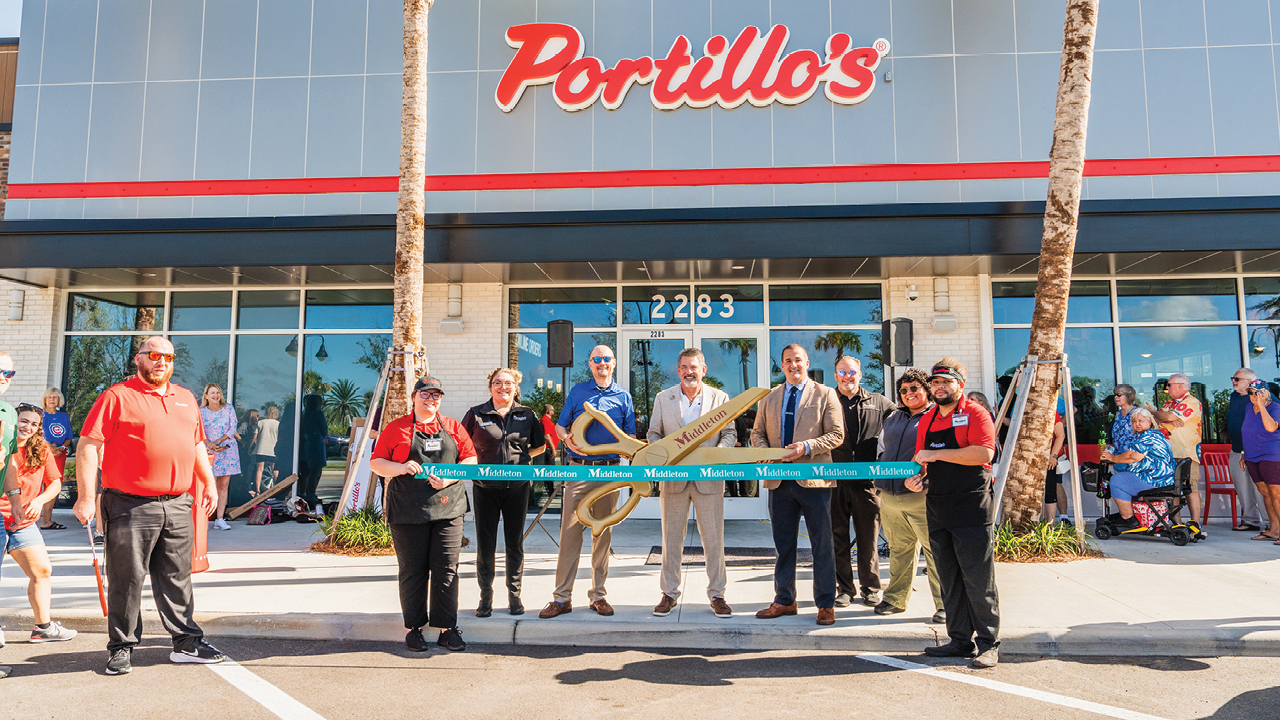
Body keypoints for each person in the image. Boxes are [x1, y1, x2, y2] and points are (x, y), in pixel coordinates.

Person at [72, 336, 224, 676]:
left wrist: (210, 483)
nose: (161, 362)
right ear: (139, 359)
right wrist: (85, 497)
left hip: (178, 503)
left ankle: (186, 643)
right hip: (129, 505)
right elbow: (88, 445)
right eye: (154, 356)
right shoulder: (116, 397)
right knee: (126, 579)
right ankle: (121, 647)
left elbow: (197, 444)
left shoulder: (185, 398)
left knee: (177, 577)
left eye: (168, 357)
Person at [370, 376, 476, 653]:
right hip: (407, 508)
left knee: (446, 569)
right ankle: (413, 629)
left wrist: (450, 478)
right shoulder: (397, 428)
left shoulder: (453, 427)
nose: (431, 400)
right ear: (414, 396)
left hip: (448, 507)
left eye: (436, 395)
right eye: (426, 395)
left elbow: (471, 460)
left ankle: (447, 629)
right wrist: (402, 467)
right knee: (412, 570)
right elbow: (377, 463)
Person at [912, 357, 1000, 669]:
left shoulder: (975, 413)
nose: (939, 387)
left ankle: (989, 643)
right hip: (938, 506)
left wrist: (935, 454)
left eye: (945, 382)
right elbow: (921, 461)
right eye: (935, 383)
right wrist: (916, 477)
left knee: (978, 578)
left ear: (959, 386)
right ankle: (959, 640)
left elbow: (984, 453)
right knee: (949, 578)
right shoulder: (927, 419)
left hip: (971, 506)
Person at [751, 344, 845, 626]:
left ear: (807, 362)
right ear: (782, 366)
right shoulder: (769, 398)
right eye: (788, 361)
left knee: (822, 545)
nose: (794, 365)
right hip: (779, 482)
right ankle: (784, 600)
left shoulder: (825, 393)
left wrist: (806, 447)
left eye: (798, 360)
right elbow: (756, 433)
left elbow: (837, 434)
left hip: (814, 480)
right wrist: (765, 451)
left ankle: (826, 603)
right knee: (783, 545)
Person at [540, 345, 635, 619]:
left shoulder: (623, 396)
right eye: (597, 359)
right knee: (569, 534)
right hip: (579, 471)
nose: (602, 363)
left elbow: (629, 435)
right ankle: (562, 598)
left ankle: (599, 596)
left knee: (602, 534)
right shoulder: (578, 392)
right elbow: (561, 426)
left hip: (609, 473)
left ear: (613, 363)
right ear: (590, 364)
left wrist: (619, 448)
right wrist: (565, 437)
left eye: (606, 359)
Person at [646, 348, 736, 619]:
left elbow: (730, 433)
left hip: (708, 480)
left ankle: (717, 594)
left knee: (713, 540)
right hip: (673, 480)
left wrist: (718, 454)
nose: (689, 371)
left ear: (703, 370)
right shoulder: (664, 398)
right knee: (671, 539)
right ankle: (669, 594)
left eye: (694, 367)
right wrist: (662, 455)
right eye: (684, 367)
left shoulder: (720, 398)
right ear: (678, 370)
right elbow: (653, 433)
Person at [462, 368, 545, 618]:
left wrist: (518, 463)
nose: (503, 387)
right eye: (497, 383)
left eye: (508, 383)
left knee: (514, 544)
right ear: (490, 387)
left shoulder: (527, 414)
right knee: (485, 545)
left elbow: (539, 446)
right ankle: (485, 596)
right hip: (484, 489)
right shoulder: (476, 414)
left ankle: (514, 596)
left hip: (517, 489)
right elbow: (463, 445)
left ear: (515, 387)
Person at [1, 404, 78, 644]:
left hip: (24, 522)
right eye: (24, 421)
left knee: (42, 571)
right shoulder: (4, 445)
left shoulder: (41, 449)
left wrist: (39, 500)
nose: (28, 427)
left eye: (34, 424)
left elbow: (55, 482)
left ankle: (43, 628)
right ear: (14, 422)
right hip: (0, 517)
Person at [873, 369, 945, 623]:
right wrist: (878, 483)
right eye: (903, 390)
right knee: (899, 549)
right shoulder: (893, 418)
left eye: (914, 388)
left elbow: (943, 454)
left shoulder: (938, 417)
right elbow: (882, 450)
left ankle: (945, 604)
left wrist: (927, 480)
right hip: (890, 496)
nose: (909, 394)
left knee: (935, 550)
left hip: (923, 496)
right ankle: (895, 599)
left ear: (926, 390)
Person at [829, 355, 894, 609]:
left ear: (860, 374)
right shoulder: (827, 400)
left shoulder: (878, 402)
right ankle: (844, 589)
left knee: (869, 536)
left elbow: (903, 424)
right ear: (836, 376)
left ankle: (870, 588)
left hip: (867, 481)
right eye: (842, 373)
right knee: (838, 536)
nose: (847, 377)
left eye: (851, 372)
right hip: (834, 479)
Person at [1099, 407, 1176, 529]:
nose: (1137, 424)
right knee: (1126, 478)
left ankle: (1128, 518)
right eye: (1134, 421)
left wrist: (1113, 458)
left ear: (1150, 421)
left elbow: (1133, 456)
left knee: (1117, 480)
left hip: (1155, 479)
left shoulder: (1148, 436)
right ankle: (1130, 514)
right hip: (1162, 478)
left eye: (1141, 420)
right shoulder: (1155, 434)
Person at [1152, 373, 1204, 538]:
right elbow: (1156, 419)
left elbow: (1166, 416)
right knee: (1173, 490)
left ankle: (1196, 525)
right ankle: (1177, 525)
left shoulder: (1192, 402)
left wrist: (1162, 415)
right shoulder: (1170, 403)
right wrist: (1162, 417)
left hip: (1187, 453)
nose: (1166, 388)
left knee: (1190, 488)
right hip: (1168, 453)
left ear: (1181, 386)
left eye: (1169, 385)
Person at [1226, 369, 1267, 532]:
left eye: (1237, 379)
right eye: (1233, 378)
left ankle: (1272, 522)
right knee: (1242, 486)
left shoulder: (1263, 395)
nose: (1233, 381)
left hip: (1257, 450)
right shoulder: (1234, 396)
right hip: (1237, 448)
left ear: (1250, 382)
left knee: (1261, 488)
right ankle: (1250, 520)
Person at [1240, 380, 1280, 543]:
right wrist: (1243, 453)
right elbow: (1247, 430)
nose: (1253, 396)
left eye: (1257, 392)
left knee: (1276, 494)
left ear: (1266, 393)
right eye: (1251, 393)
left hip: (1271, 455)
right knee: (1265, 492)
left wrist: (1262, 405)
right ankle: (1274, 529)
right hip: (1251, 456)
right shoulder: (1248, 408)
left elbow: (1271, 427)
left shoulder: (1275, 408)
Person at [199, 384, 241, 531]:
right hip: (208, 451)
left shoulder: (228, 408)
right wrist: (209, 444)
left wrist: (217, 442)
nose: (216, 395)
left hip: (226, 450)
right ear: (206, 396)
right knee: (208, 485)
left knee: (223, 485)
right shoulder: (201, 412)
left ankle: (219, 518)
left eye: (218, 392)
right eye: (212, 393)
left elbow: (232, 428)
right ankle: (203, 518)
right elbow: (199, 431)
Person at [0, 352, 17, 678]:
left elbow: (10, 462)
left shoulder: (9, 414)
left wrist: (15, 500)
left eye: (10, 372)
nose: (5, 376)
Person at [39, 388, 72, 530]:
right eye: (49, 397)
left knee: (53, 487)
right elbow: (38, 435)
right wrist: (50, 449)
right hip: (42, 454)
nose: (52, 400)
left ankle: (47, 521)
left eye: (55, 397)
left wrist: (62, 448)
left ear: (59, 401)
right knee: (36, 485)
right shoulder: (40, 415)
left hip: (59, 455)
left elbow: (68, 437)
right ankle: (25, 520)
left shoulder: (63, 417)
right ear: (45, 399)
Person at [297, 394, 328, 510]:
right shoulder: (318, 414)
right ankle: (311, 494)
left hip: (305, 446)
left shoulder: (304, 415)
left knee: (304, 473)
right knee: (315, 472)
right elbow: (324, 429)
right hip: (316, 445)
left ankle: (302, 494)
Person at [1043, 412, 1068, 523]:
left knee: (1051, 488)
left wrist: (1053, 455)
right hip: (1032, 457)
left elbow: (1060, 435)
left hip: (1049, 457)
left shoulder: (1052, 412)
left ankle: (1050, 524)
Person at [1111, 384, 1139, 471]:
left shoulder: (1137, 413)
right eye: (1115, 395)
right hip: (1118, 459)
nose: (1116, 397)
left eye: (1119, 394)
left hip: (1133, 461)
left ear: (1129, 396)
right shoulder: (1118, 414)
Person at [254, 405, 280, 494]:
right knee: (274, 469)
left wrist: (250, 447)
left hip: (261, 449)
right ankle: (278, 489)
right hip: (273, 449)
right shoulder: (278, 424)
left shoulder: (260, 422)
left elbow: (255, 436)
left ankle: (257, 490)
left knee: (259, 469)